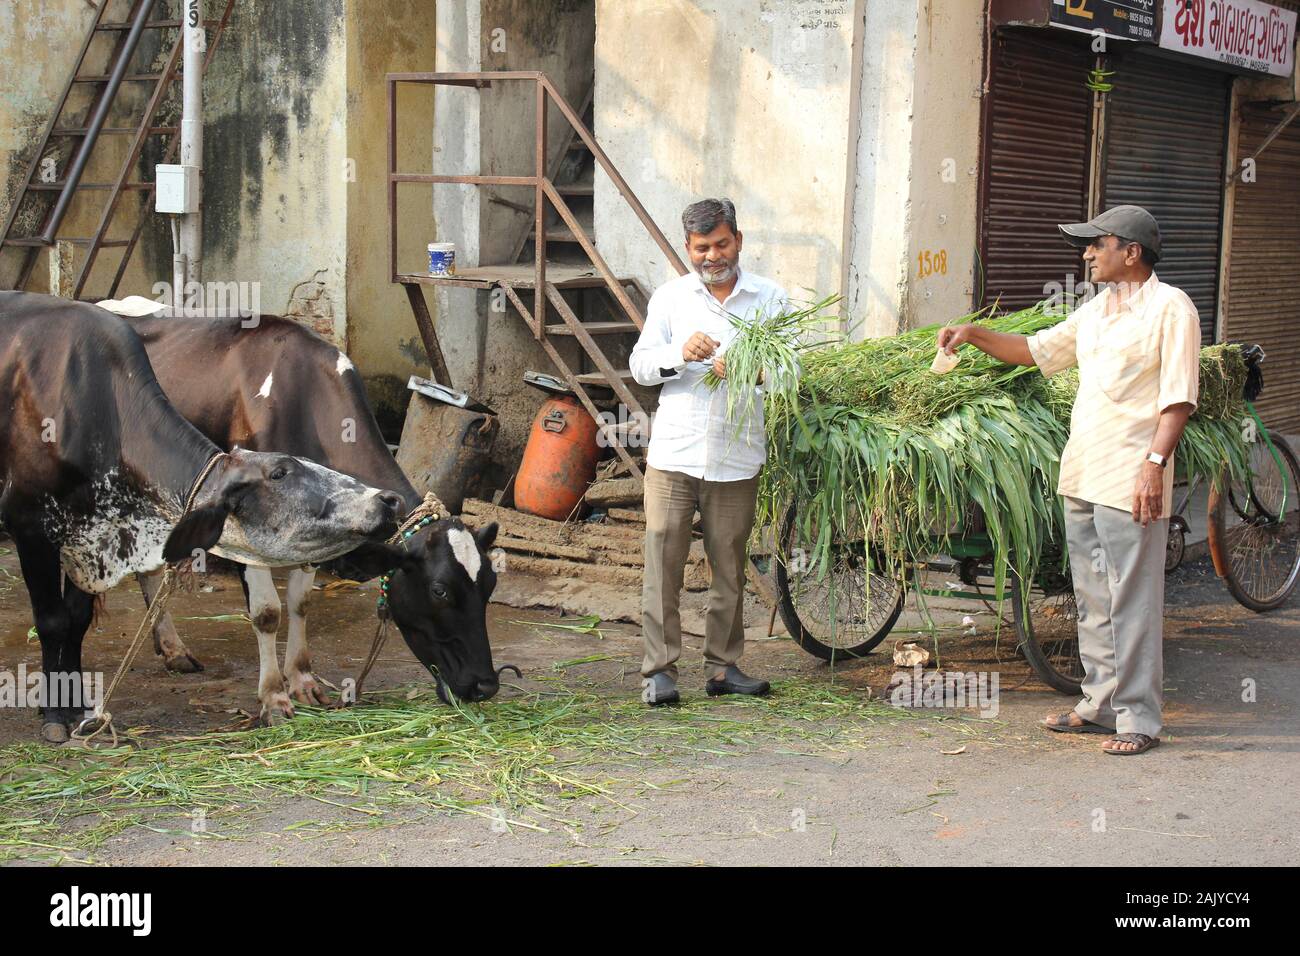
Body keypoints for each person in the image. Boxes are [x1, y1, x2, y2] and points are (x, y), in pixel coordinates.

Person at [937, 204, 1200, 756]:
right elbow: (1035, 352)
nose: (1086, 254)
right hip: (1083, 473)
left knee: (1133, 599)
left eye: (1096, 244)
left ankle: (1139, 719)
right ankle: (1100, 703)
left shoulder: (1171, 309)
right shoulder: (1098, 310)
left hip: (1132, 476)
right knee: (1093, 596)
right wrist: (974, 333)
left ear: (1131, 252)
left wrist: (1154, 467)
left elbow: (1178, 400)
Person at [629, 198, 787, 706]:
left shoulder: (770, 298)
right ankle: (659, 671)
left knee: (730, 567)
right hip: (674, 455)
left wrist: (753, 372)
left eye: (721, 244)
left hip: (737, 457)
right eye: (702, 248)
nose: (712, 256)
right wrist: (680, 354)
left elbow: (794, 372)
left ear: (737, 239)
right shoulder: (671, 298)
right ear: (688, 248)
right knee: (662, 564)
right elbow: (640, 366)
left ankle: (723, 668)